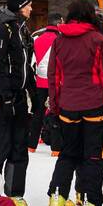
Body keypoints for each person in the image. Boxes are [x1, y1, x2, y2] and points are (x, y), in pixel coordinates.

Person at [45, 0, 103, 206]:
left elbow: (53, 77)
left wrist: (54, 104)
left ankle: (57, 201)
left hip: (67, 105)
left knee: (67, 154)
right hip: (93, 104)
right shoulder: (97, 39)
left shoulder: (59, 41)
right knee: (93, 157)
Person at [0, 0, 35, 206]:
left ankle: (15, 193)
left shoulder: (22, 30)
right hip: (2, 96)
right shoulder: (2, 30)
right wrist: (5, 96)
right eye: (28, 5)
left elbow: (25, 66)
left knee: (19, 145)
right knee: (2, 144)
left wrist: (32, 92)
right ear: (19, 6)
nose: (31, 9)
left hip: (19, 95)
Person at [29, 12, 62, 153]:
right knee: (55, 113)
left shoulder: (37, 39)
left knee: (38, 113)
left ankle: (31, 145)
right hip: (56, 82)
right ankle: (56, 148)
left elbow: (32, 62)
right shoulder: (61, 40)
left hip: (40, 81)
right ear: (59, 22)